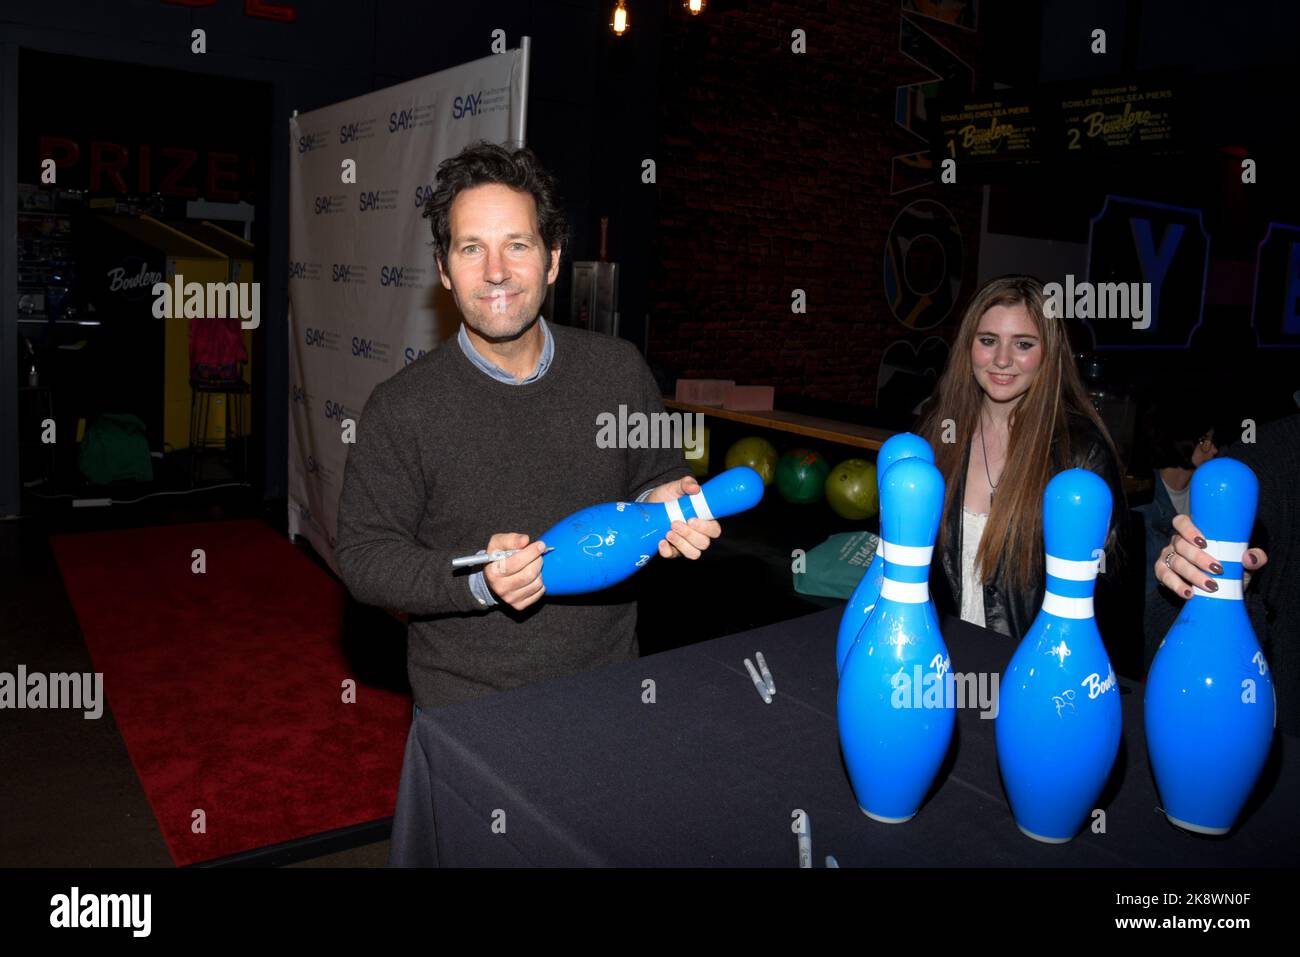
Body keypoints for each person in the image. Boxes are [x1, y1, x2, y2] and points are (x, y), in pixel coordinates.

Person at [334, 141, 719, 713]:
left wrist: (666, 501)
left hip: (610, 688)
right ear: (443, 269)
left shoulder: (619, 370)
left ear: (553, 259)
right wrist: (478, 583)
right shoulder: (401, 407)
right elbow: (366, 558)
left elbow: (658, 473)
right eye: (472, 248)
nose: (496, 271)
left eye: (517, 244)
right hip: (468, 708)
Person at [916, 275, 1127, 641]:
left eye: (1023, 344)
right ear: (969, 347)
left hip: (1033, 670)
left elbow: (1108, 591)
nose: (1001, 360)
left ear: (1049, 353)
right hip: (941, 655)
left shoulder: (1080, 451)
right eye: (988, 341)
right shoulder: (939, 432)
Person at [1148, 412, 1295, 734]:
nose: (1213, 449)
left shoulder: (1217, 483)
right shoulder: (1151, 507)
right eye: (1204, 441)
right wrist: (1191, 576)